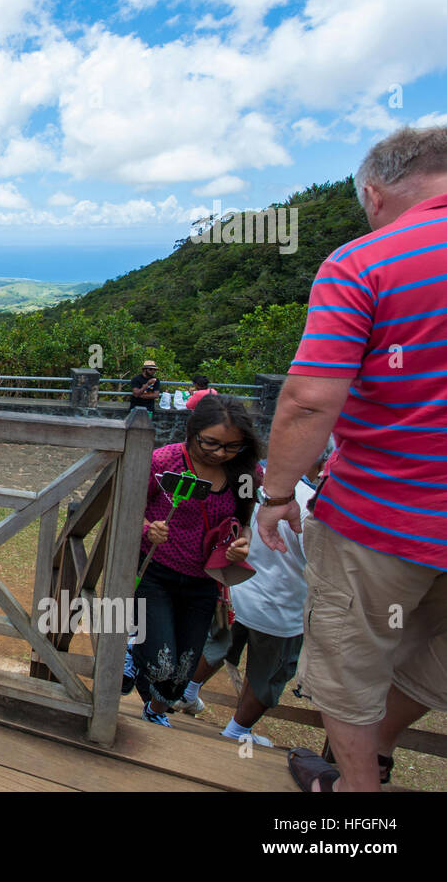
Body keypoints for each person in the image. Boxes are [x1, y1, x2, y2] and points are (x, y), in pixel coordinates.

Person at [256, 125, 447, 793]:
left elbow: (309, 398)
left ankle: (358, 798)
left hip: (383, 518)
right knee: (430, 654)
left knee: (347, 662)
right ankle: (380, 751)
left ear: (375, 191)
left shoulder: (367, 261)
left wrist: (278, 493)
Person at [173, 439, 334, 748]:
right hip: (280, 611)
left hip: (234, 591)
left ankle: (186, 692)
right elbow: (321, 565)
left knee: (215, 644)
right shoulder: (311, 504)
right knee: (268, 673)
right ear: (318, 464)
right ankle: (235, 731)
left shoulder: (250, 482)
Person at [123, 395, 261, 727]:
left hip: (204, 580)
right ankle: (134, 653)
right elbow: (127, 506)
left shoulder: (245, 472)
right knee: (160, 660)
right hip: (156, 570)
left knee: (182, 671)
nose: (219, 453)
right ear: (192, 431)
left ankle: (154, 711)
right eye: (210, 443)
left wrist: (242, 544)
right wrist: (147, 528)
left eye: (231, 447)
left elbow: (243, 522)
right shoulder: (164, 461)